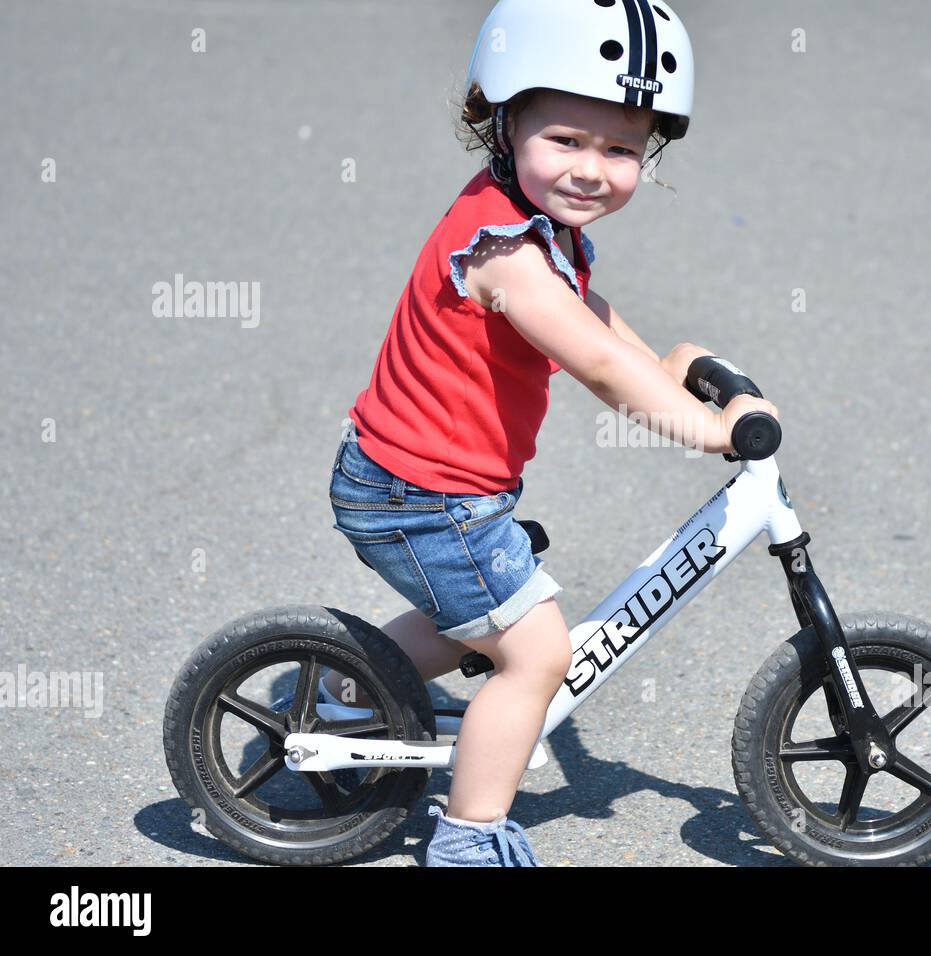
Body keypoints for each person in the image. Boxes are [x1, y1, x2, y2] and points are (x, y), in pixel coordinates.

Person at [324, 0, 778, 866]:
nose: (592, 169)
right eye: (566, 139)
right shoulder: (504, 254)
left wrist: (676, 365)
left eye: (619, 149)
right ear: (502, 121)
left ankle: (354, 690)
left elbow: (595, 322)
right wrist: (711, 432)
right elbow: (597, 367)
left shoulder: (533, 224)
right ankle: (467, 838)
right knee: (535, 652)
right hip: (422, 494)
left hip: (428, 482)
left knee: (475, 616)